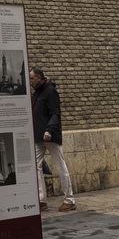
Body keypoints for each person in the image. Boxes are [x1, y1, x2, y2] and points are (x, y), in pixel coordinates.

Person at [29, 66, 75, 212]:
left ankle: (69, 200)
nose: (30, 81)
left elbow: (55, 113)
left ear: (39, 78)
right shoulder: (37, 92)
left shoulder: (50, 92)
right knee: (35, 165)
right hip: (38, 136)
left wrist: (49, 130)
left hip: (50, 136)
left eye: (32, 78)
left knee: (60, 165)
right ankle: (41, 199)